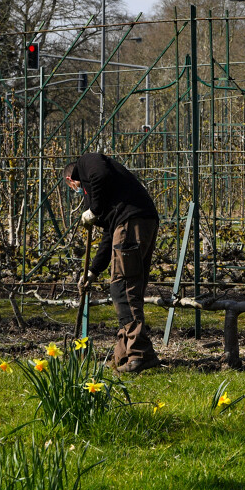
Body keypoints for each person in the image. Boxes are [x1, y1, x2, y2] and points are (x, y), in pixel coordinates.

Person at [64, 153, 162, 373]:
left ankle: (141, 353)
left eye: (74, 189)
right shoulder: (111, 196)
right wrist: (93, 271)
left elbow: (100, 172)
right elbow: (110, 234)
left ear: (71, 180)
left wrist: (94, 210)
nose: (78, 193)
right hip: (140, 221)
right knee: (129, 290)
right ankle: (123, 354)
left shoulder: (86, 162)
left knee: (123, 289)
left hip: (132, 222)